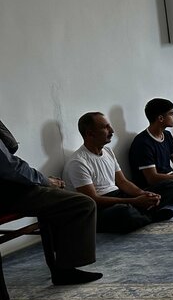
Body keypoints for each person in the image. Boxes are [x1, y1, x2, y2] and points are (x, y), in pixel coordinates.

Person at [0, 117, 101, 285]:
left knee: (57, 196)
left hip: (10, 189)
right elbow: (11, 168)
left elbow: (10, 148)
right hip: (7, 194)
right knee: (82, 204)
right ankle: (65, 270)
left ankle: (61, 266)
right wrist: (46, 181)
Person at [64, 112, 173, 233]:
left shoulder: (107, 151)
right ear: (90, 134)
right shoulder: (78, 162)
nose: (111, 130)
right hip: (100, 207)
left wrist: (144, 194)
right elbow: (93, 200)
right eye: (105, 127)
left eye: (109, 126)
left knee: (170, 186)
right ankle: (148, 217)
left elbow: (122, 182)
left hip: (119, 196)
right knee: (123, 212)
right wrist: (134, 201)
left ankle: (140, 213)